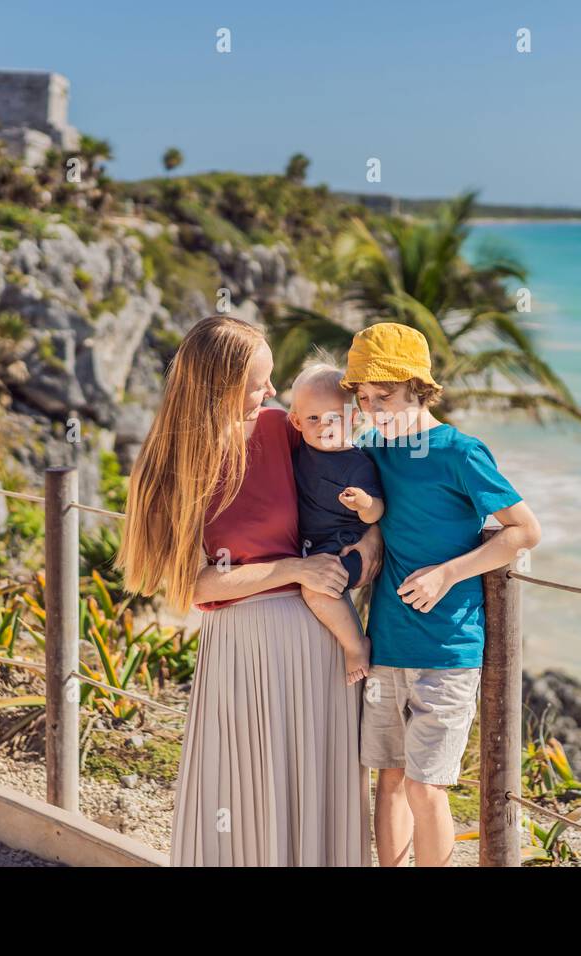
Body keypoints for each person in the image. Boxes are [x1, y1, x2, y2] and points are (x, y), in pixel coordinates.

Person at [116, 315, 378, 866]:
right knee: (244, 794)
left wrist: (372, 540)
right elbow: (193, 583)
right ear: (221, 383)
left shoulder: (283, 428)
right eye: (261, 382)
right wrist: (294, 571)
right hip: (239, 649)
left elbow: (363, 475)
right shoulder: (169, 465)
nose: (273, 392)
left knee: (316, 794)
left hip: (318, 641)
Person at [341, 322, 542, 867]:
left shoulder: (461, 452)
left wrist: (448, 573)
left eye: (384, 397)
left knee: (426, 789)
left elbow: (524, 531)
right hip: (385, 644)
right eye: (364, 398)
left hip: (449, 651)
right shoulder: (373, 451)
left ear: (418, 388)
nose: (373, 409)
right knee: (388, 781)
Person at [287, 362, 385, 685]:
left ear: (354, 420)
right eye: (313, 418)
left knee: (315, 590)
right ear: (296, 421)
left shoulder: (357, 465)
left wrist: (364, 504)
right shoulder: (299, 451)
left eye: (335, 417)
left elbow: (377, 511)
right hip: (313, 547)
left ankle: (356, 645)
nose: (324, 425)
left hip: (346, 546)